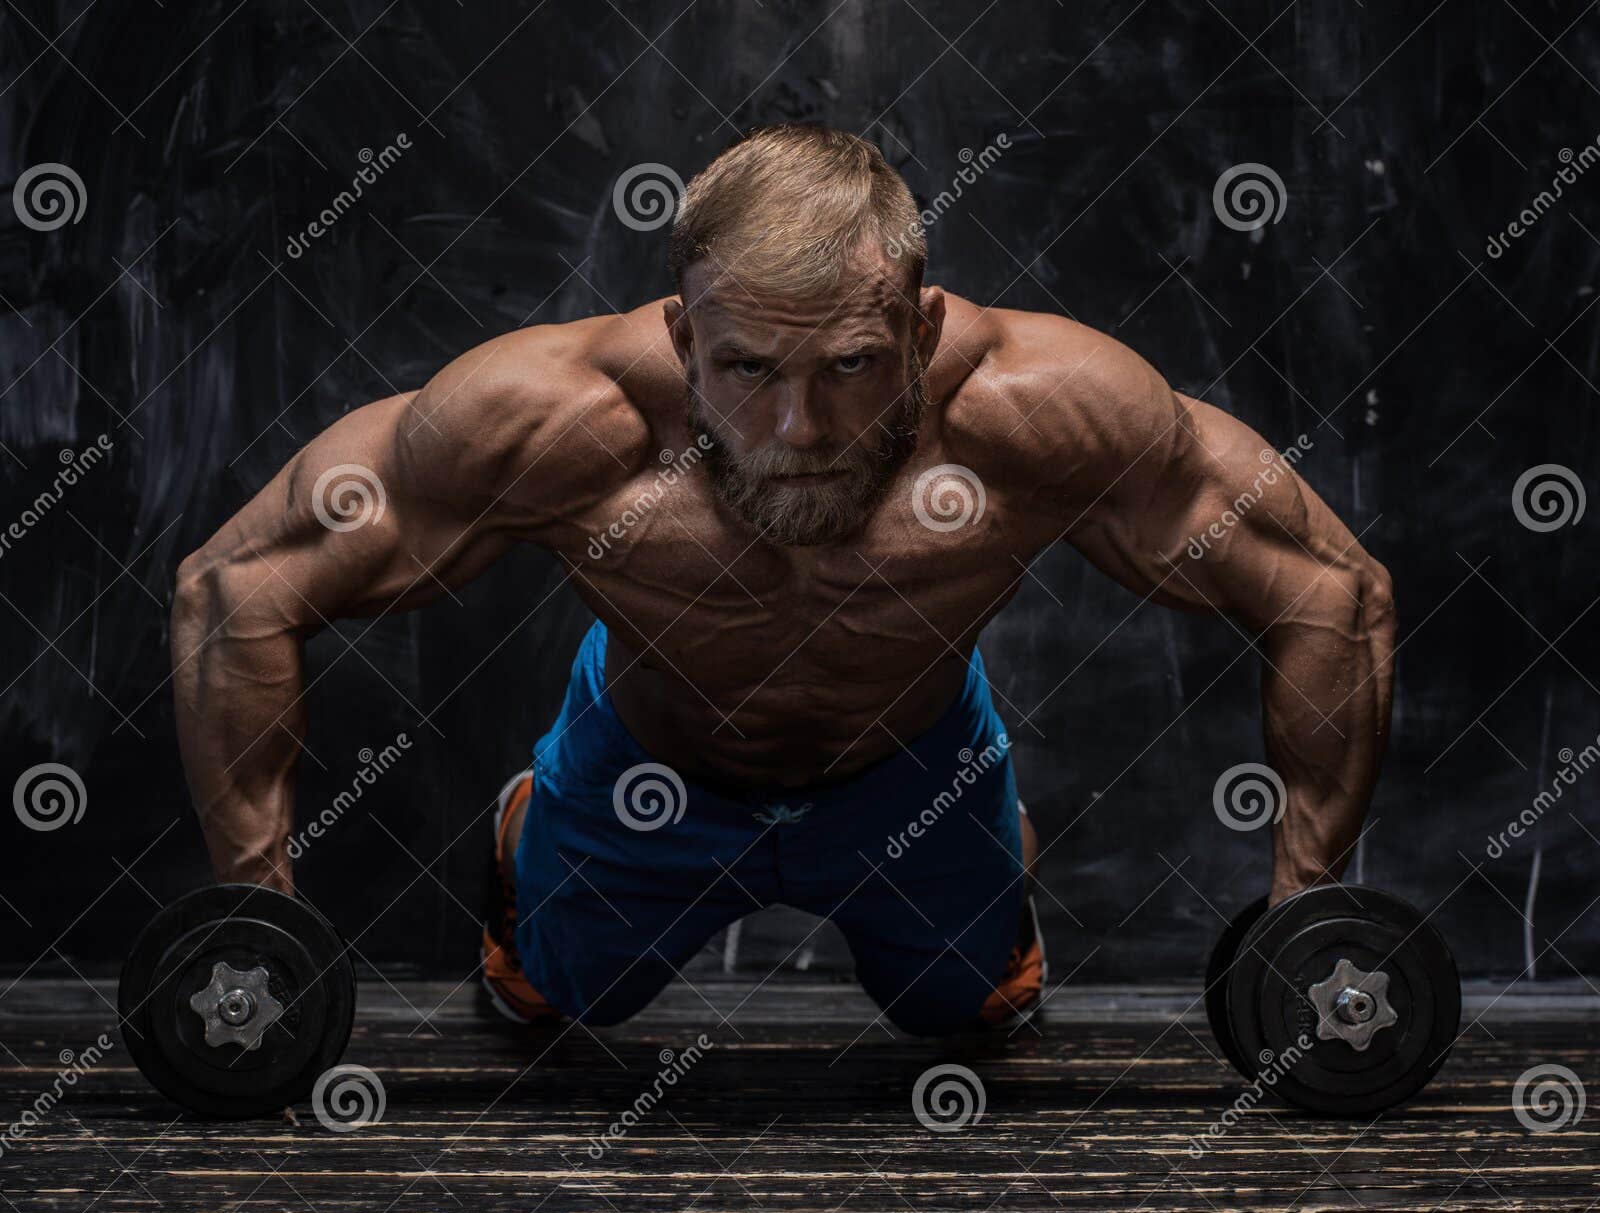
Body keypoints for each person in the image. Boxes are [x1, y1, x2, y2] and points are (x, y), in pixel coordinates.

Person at [171, 124, 1394, 1035]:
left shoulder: (1043, 414)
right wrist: (258, 920)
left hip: (913, 772)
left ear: (918, 330)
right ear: (679, 335)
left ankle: (988, 845)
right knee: (557, 999)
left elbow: (1329, 594)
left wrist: (1303, 920)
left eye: (854, 366)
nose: (800, 426)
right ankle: (530, 819)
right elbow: (239, 590)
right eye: (747, 367)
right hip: (647, 770)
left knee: (969, 1014)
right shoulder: (551, 422)